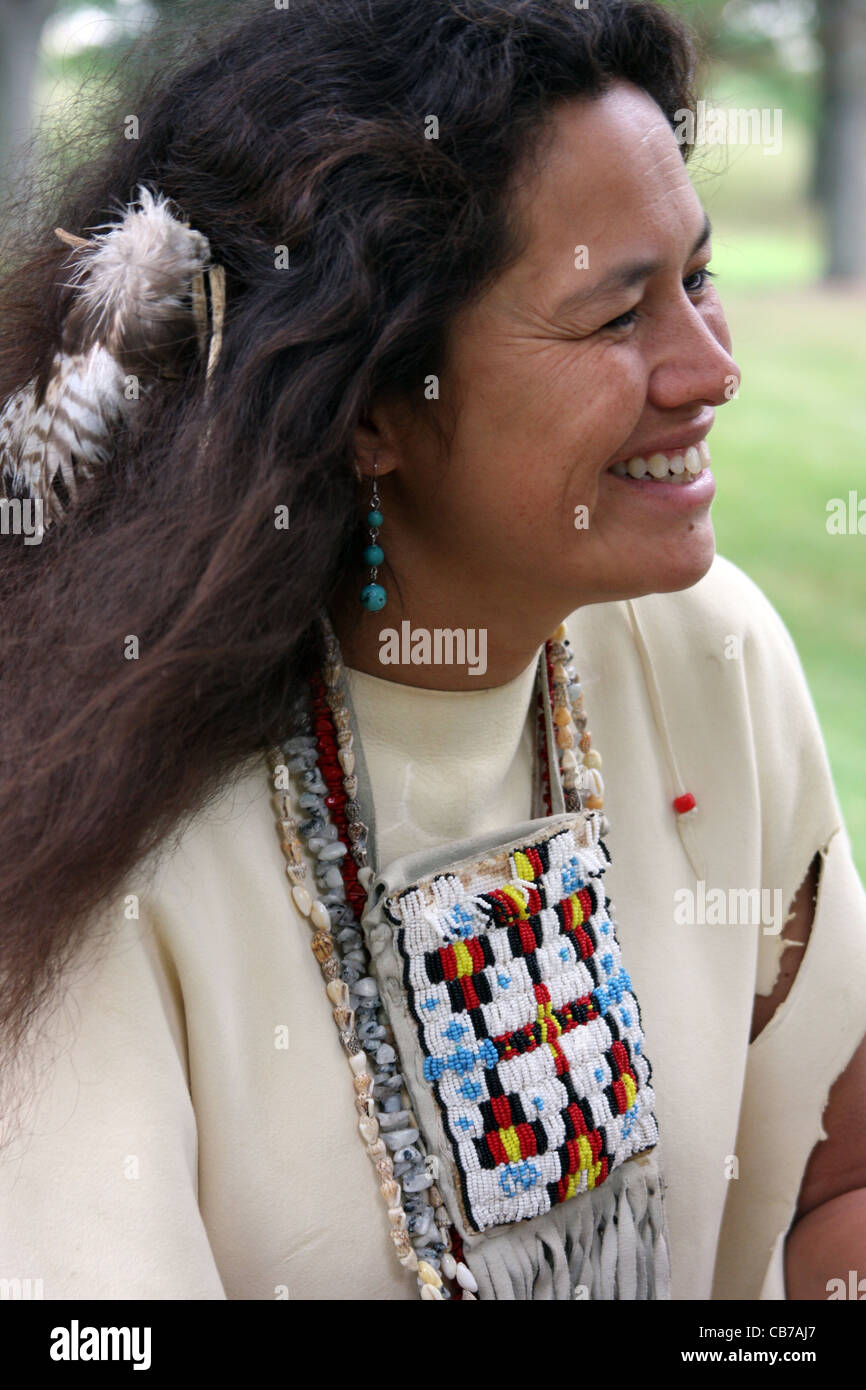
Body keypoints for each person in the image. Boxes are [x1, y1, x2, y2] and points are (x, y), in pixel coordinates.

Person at [0, 0, 863, 1302]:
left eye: (694, 278)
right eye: (615, 315)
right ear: (369, 409)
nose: (709, 369)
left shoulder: (707, 656)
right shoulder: (89, 834)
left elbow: (830, 1182)